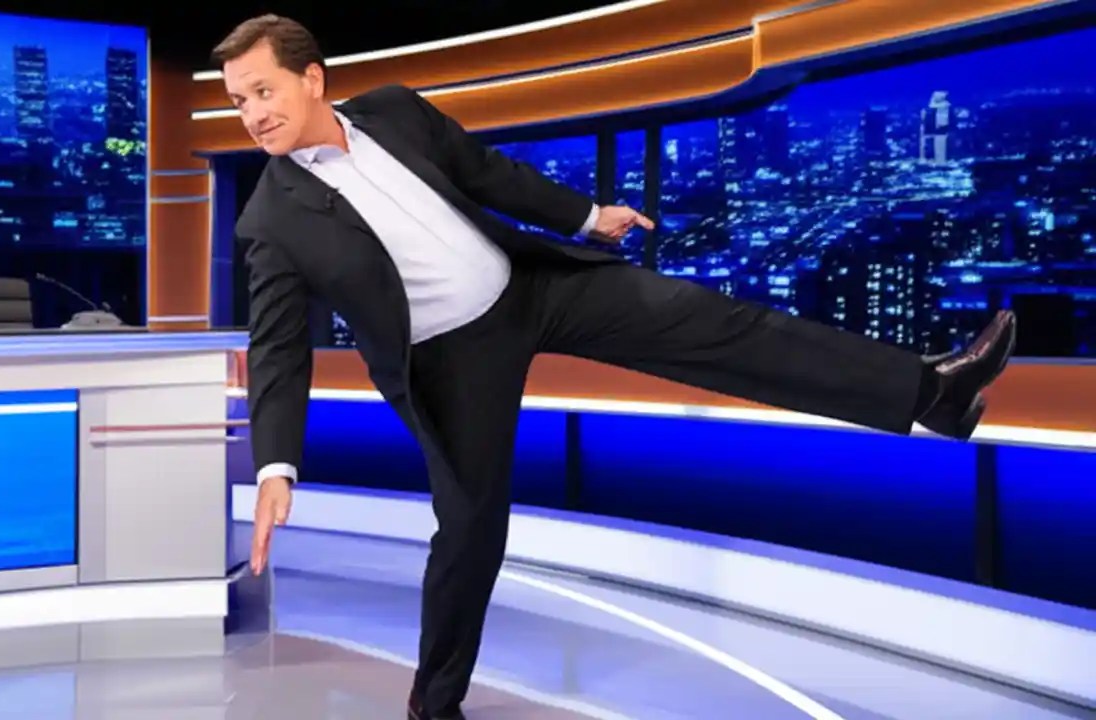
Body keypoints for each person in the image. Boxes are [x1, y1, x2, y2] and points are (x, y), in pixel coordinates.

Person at [212, 14, 1016, 720]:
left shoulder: (392, 111)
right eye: (239, 101)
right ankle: (435, 701)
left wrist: (588, 217)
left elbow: (486, 174)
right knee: (469, 532)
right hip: (450, 361)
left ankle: (928, 393)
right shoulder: (271, 218)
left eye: (262, 90)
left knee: (711, 322)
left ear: (313, 78)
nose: (252, 114)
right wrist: (279, 461)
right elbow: (279, 344)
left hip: (528, 285)